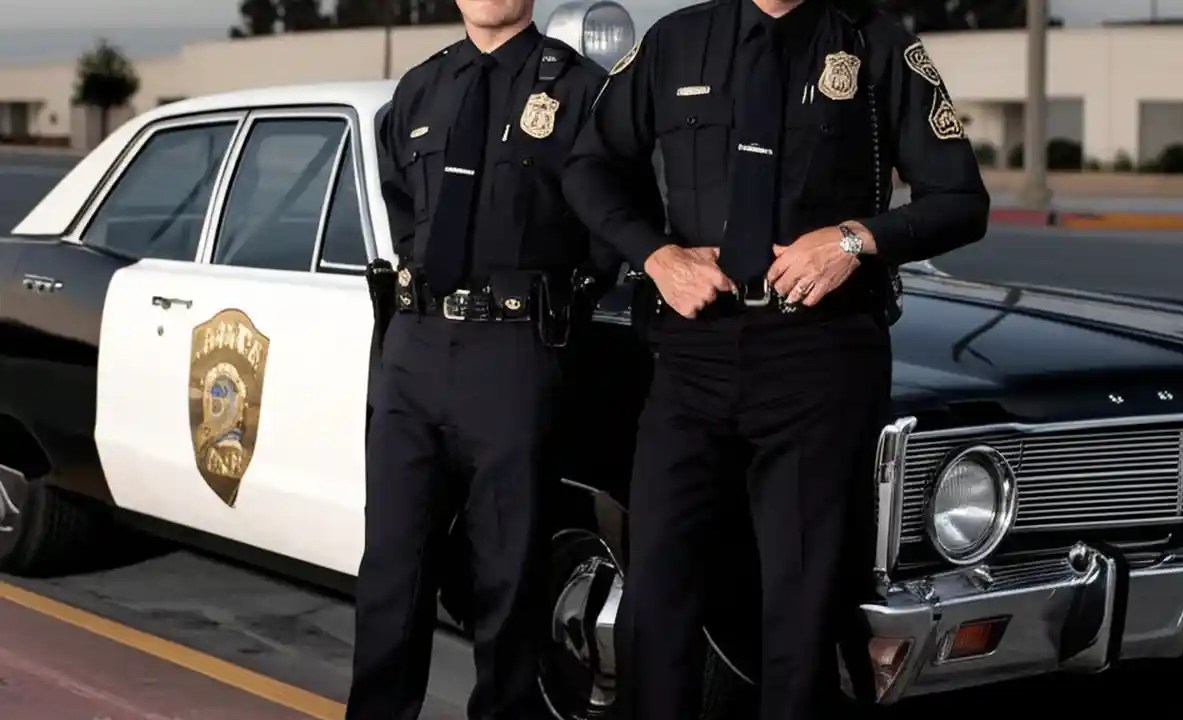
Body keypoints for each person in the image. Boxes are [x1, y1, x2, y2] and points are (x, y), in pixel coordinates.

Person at [561, 0, 990, 716]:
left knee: (800, 614)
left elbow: (962, 200)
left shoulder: (875, 44)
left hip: (817, 360)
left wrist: (855, 239)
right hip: (692, 355)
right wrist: (657, 255)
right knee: (658, 597)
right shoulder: (676, 41)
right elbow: (587, 168)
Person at [347, 0, 613, 717]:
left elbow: (607, 234)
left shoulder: (582, 90)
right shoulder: (418, 91)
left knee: (508, 580)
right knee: (390, 578)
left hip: (515, 354)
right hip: (413, 352)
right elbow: (405, 208)